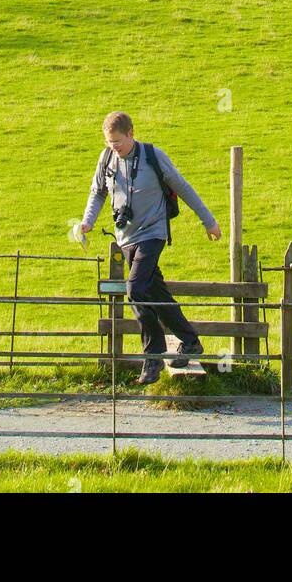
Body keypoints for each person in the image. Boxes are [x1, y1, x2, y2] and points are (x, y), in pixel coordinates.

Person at [79, 111, 222, 385]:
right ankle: (190, 341)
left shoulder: (153, 157)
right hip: (126, 237)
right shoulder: (107, 158)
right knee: (153, 290)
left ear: (131, 133)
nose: (114, 148)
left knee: (135, 289)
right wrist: (88, 221)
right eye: (110, 142)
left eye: (118, 142)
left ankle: (153, 356)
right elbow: (97, 192)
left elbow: (183, 187)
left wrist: (209, 222)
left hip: (153, 233)